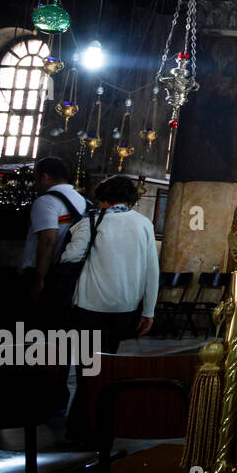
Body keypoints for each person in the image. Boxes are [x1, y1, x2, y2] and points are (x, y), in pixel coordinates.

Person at [61, 175, 159, 442]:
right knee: (105, 365)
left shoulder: (92, 221)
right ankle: (100, 422)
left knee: (87, 369)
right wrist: (148, 311)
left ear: (103, 198)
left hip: (90, 307)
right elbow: (152, 270)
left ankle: (81, 427)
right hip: (125, 309)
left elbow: (70, 257)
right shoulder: (143, 224)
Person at [18, 156, 87, 325]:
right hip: (69, 274)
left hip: (43, 272)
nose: (35, 183)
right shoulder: (83, 201)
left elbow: (47, 240)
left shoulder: (46, 201)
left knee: (33, 326)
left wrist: (39, 280)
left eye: (36, 177)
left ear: (45, 177)